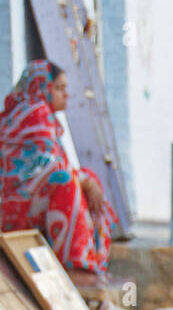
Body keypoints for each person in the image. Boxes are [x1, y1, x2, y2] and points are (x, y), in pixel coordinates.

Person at [0, 60, 116, 278]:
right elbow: (49, 165)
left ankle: (87, 259)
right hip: (12, 206)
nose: (66, 95)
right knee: (66, 182)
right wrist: (86, 182)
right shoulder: (34, 113)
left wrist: (87, 180)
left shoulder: (32, 112)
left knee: (83, 178)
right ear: (43, 86)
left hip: (23, 200)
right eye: (60, 88)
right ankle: (76, 264)